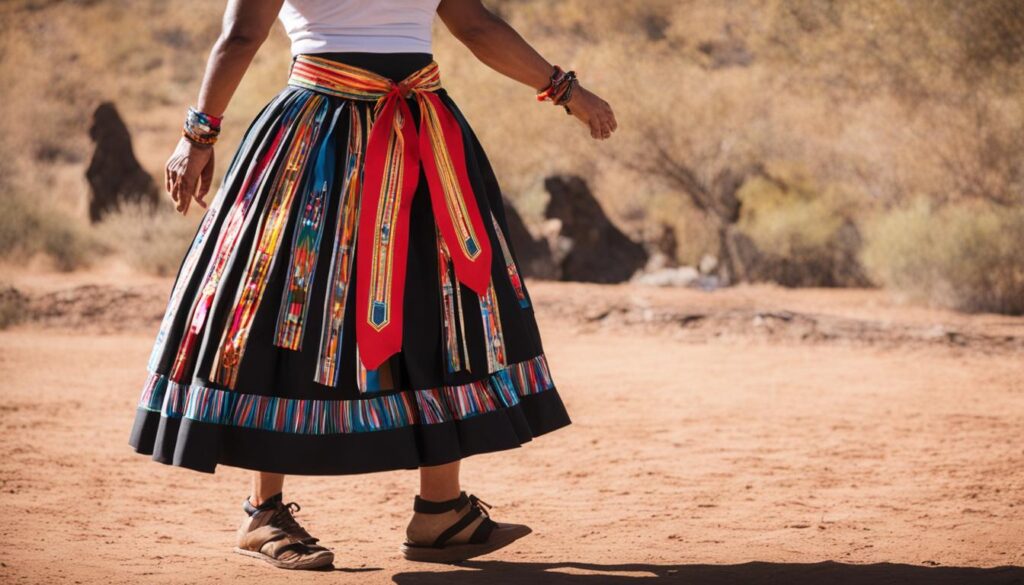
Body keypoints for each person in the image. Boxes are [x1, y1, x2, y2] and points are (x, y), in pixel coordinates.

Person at [129, 0, 617, 570]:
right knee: (320, 304)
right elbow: (477, 26)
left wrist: (199, 134)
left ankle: (441, 513)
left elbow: (242, 35)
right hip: (344, 137)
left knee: (396, 306)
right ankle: (266, 513)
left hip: (380, 132)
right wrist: (567, 92)